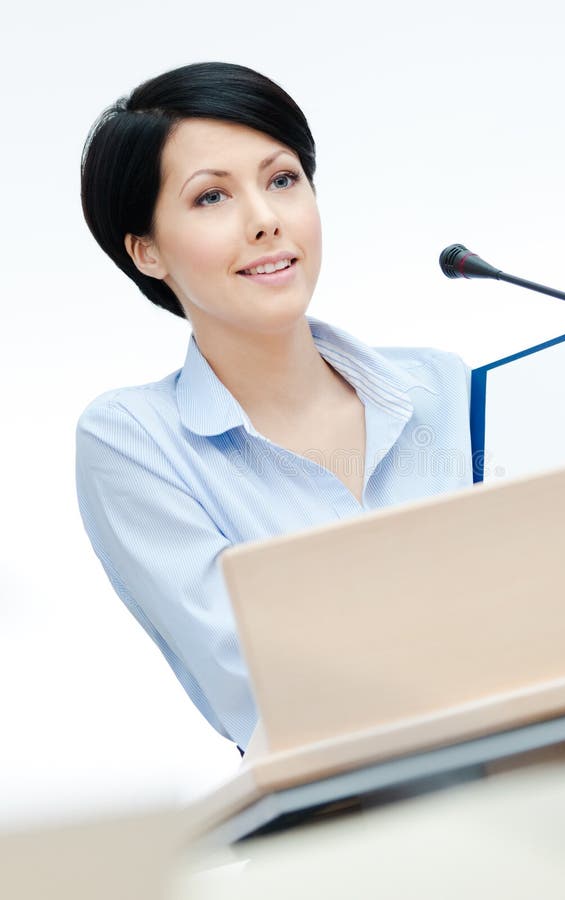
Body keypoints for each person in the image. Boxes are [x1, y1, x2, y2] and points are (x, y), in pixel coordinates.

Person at [76, 61, 473, 753]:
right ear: (145, 251)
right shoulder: (134, 442)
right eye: (211, 198)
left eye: (282, 180)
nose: (265, 221)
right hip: (343, 817)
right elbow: (264, 682)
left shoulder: (440, 387)